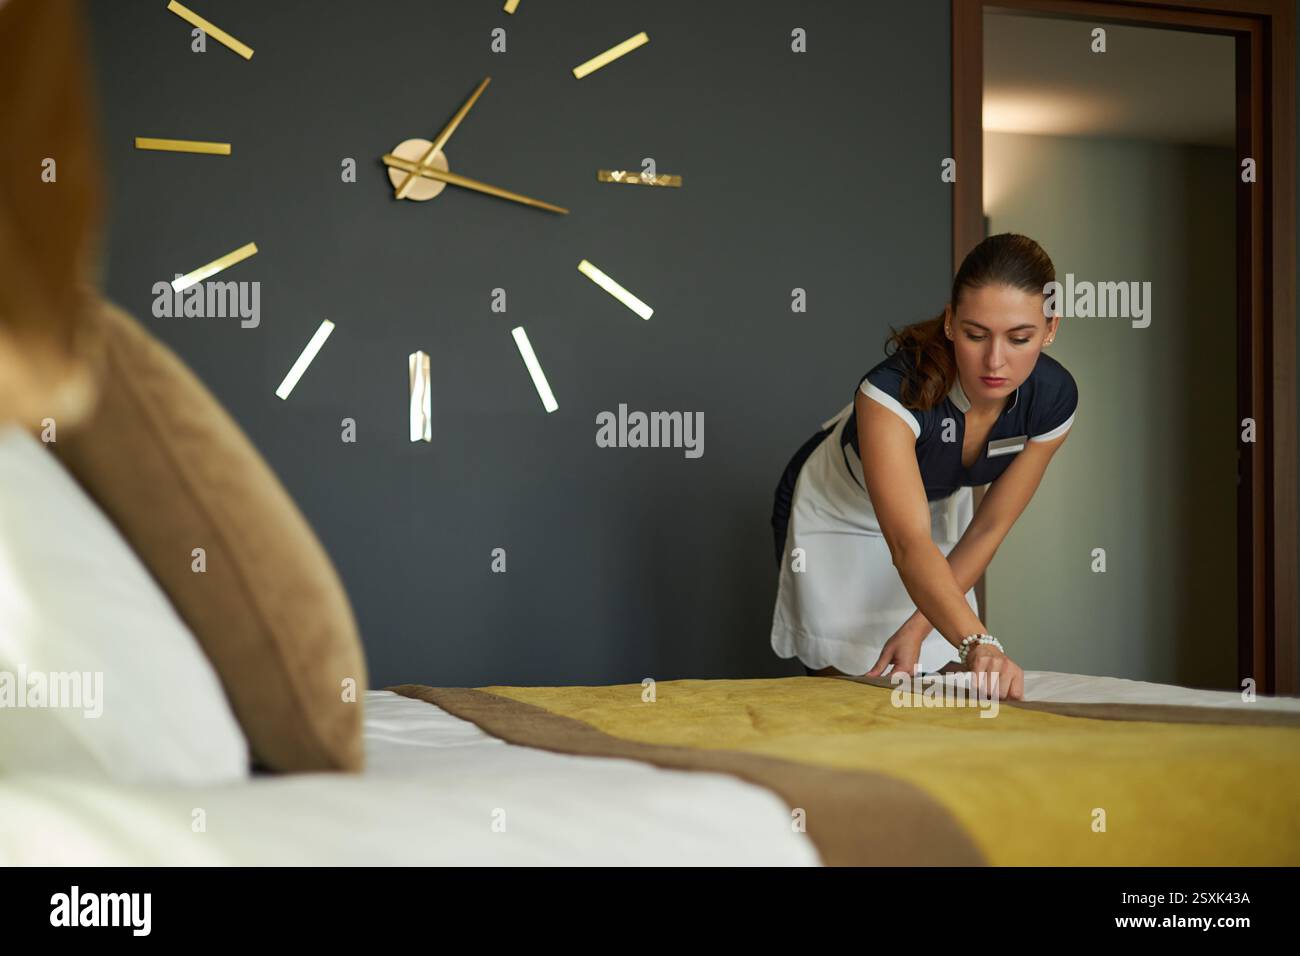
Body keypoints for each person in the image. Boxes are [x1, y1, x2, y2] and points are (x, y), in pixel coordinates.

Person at [769, 234, 1078, 700]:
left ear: (1050, 329)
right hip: (837, 509)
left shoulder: (1054, 399)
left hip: (934, 506)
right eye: (976, 335)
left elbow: (990, 527)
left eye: (1020, 338)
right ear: (951, 323)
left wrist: (920, 626)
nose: (996, 361)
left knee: (935, 666)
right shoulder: (890, 393)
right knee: (850, 681)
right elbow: (908, 542)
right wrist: (980, 642)